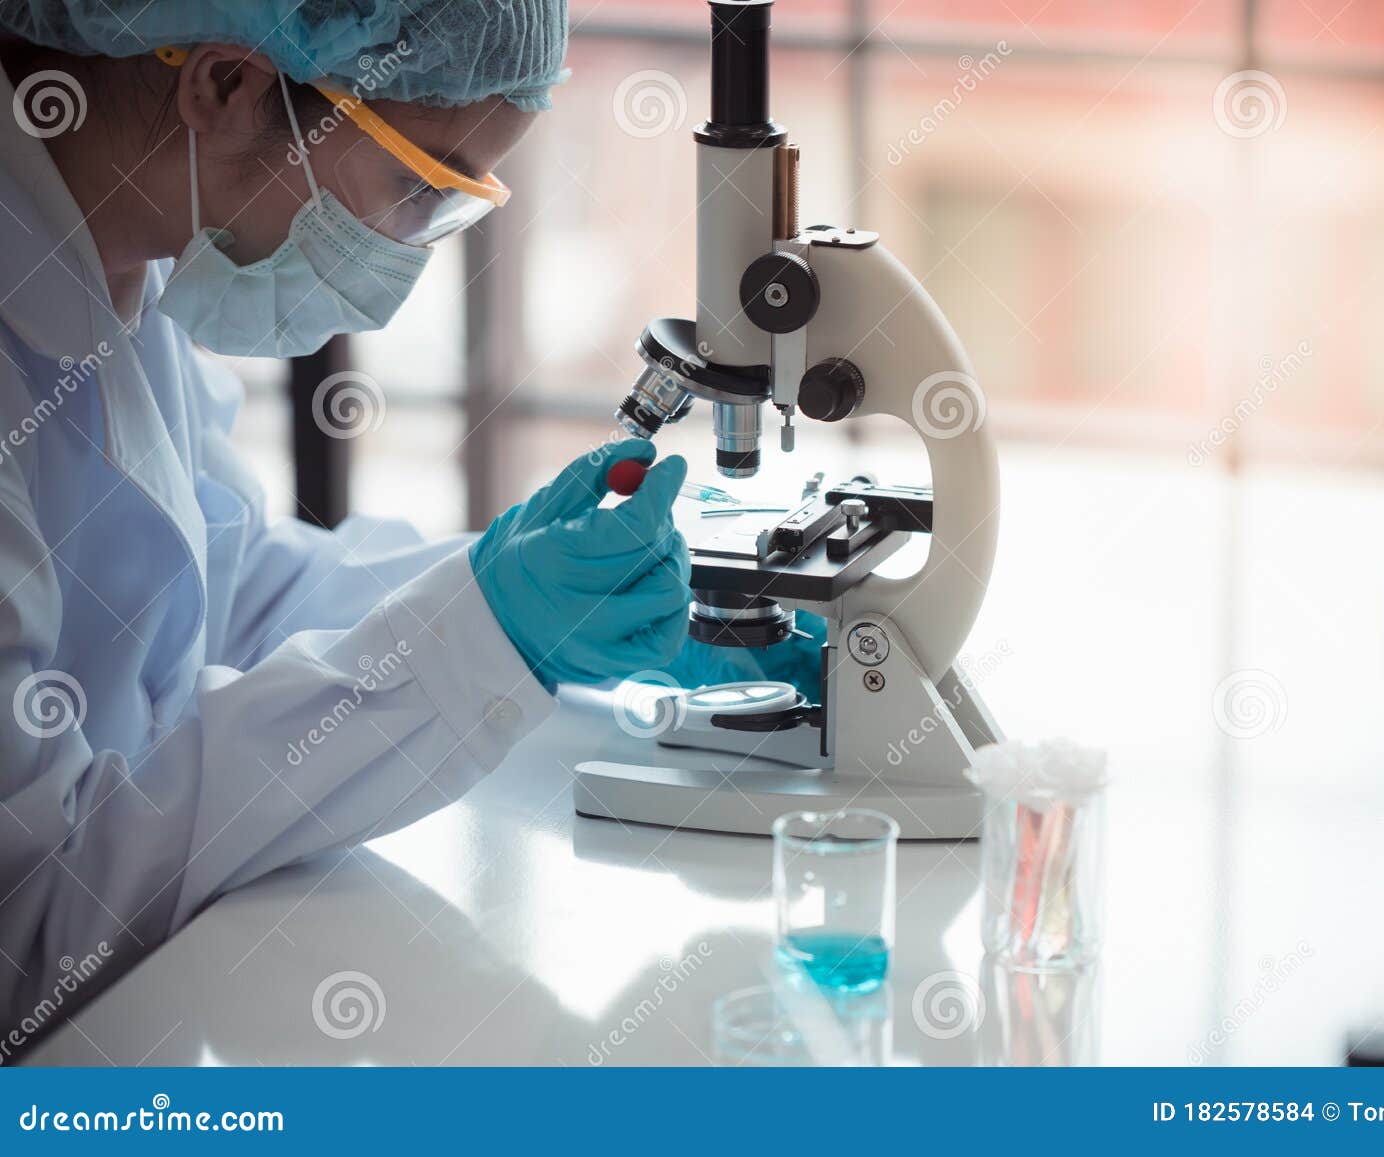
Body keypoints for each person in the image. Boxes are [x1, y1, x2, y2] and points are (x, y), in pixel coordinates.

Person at [0, 1, 811, 1043]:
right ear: (227, 86)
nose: (408, 247)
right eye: (418, 186)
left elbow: (226, 580)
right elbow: (31, 925)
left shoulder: (127, 251)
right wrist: (486, 636)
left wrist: (529, 587)